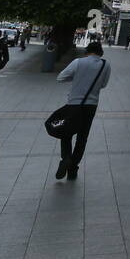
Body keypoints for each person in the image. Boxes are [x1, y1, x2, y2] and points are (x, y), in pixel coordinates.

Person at [54, 41, 111, 181]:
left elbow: (60, 78)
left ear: (87, 51)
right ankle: (73, 169)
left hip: (74, 104)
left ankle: (66, 158)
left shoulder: (78, 62)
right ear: (100, 52)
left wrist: (77, 79)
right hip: (91, 105)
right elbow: (103, 84)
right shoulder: (105, 65)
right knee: (82, 137)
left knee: (66, 133)